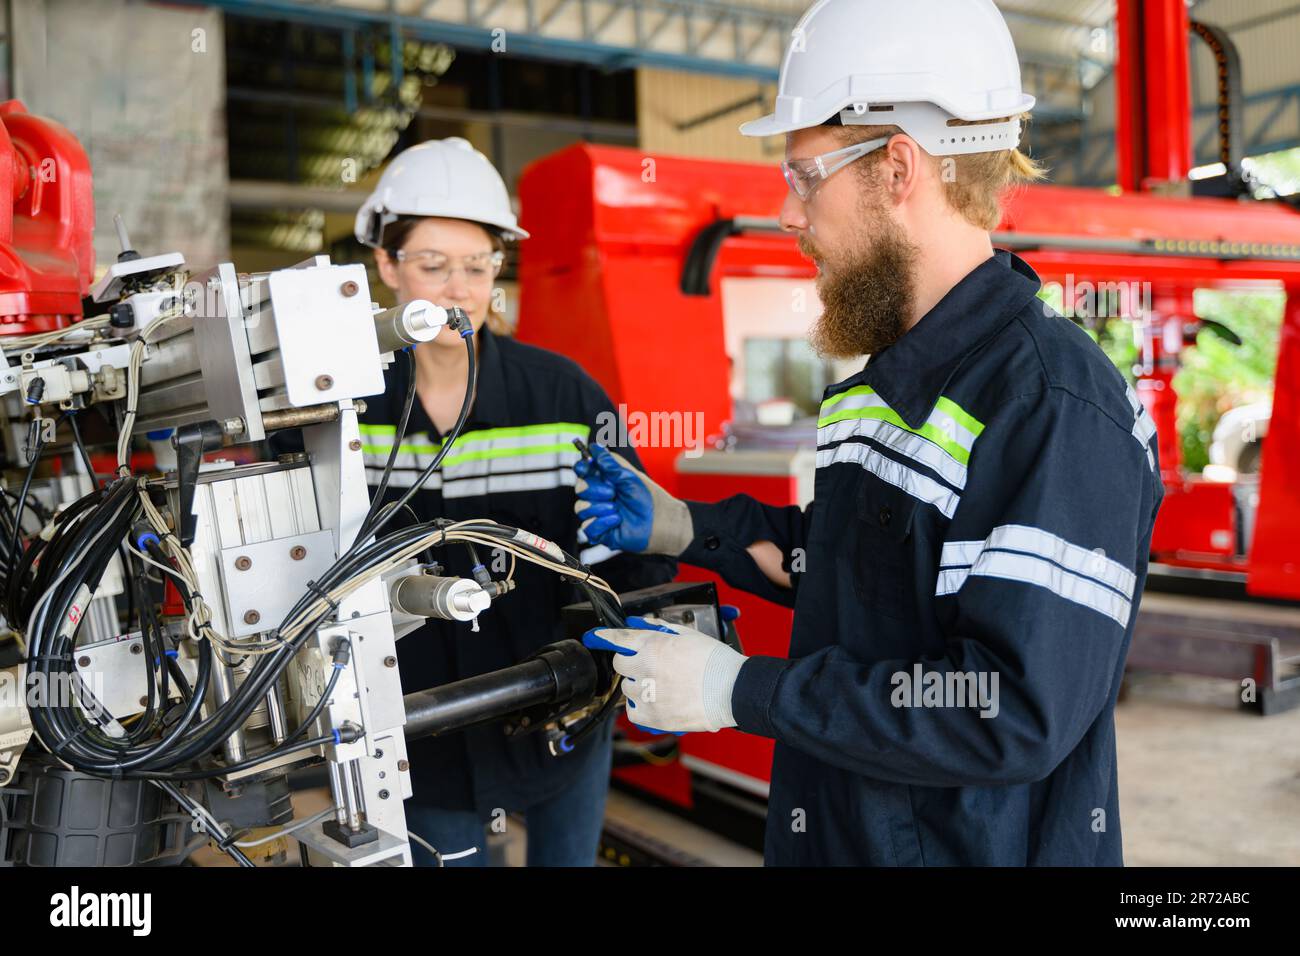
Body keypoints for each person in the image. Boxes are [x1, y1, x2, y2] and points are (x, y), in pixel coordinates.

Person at [574, 0, 1163, 866]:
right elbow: (848, 568)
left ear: (897, 167)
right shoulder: (874, 386)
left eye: (804, 175)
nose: (786, 211)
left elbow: (1009, 708)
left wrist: (743, 690)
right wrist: (686, 527)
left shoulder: (1054, 407)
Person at [352, 138, 674, 866]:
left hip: (559, 718)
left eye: (477, 265)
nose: (457, 288)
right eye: (432, 265)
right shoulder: (347, 411)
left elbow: (634, 548)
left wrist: (644, 652)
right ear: (387, 265)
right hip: (418, 735)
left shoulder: (564, 396)